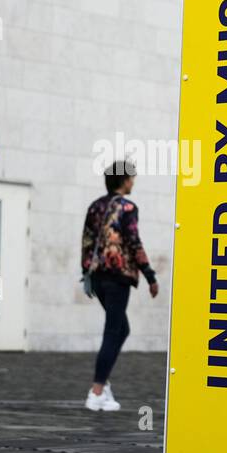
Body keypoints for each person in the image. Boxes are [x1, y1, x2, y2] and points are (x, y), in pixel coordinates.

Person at [80, 161, 159, 411]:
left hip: (99, 278)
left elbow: (86, 240)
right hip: (117, 276)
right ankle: (96, 391)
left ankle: (103, 387)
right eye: (131, 178)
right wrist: (150, 275)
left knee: (121, 329)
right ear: (123, 180)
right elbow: (134, 241)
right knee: (113, 330)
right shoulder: (127, 207)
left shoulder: (95, 206)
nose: (133, 181)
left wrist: (86, 274)